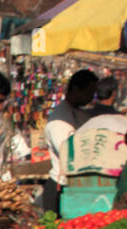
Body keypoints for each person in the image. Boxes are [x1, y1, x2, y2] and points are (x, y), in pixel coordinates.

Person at [41, 70, 98, 213]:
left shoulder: (83, 114)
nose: (92, 97)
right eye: (89, 92)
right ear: (76, 89)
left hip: (76, 186)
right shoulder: (59, 120)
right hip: (61, 187)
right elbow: (69, 154)